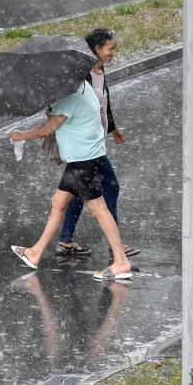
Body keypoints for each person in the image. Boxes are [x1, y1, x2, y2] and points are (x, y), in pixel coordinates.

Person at [10, 79, 133, 280]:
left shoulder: (69, 99)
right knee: (58, 203)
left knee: (99, 210)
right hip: (86, 158)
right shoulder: (84, 87)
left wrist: (21, 135)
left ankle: (121, 261)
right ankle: (35, 253)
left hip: (83, 162)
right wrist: (55, 111)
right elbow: (69, 119)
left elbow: (46, 130)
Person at [54, 29, 139, 259]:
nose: (113, 53)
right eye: (110, 49)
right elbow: (69, 106)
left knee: (77, 191)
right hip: (85, 147)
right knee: (110, 187)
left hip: (94, 143)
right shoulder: (81, 77)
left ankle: (65, 240)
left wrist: (113, 128)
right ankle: (115, 246)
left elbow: (103, 104)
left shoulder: (100, 70)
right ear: (97, 49)